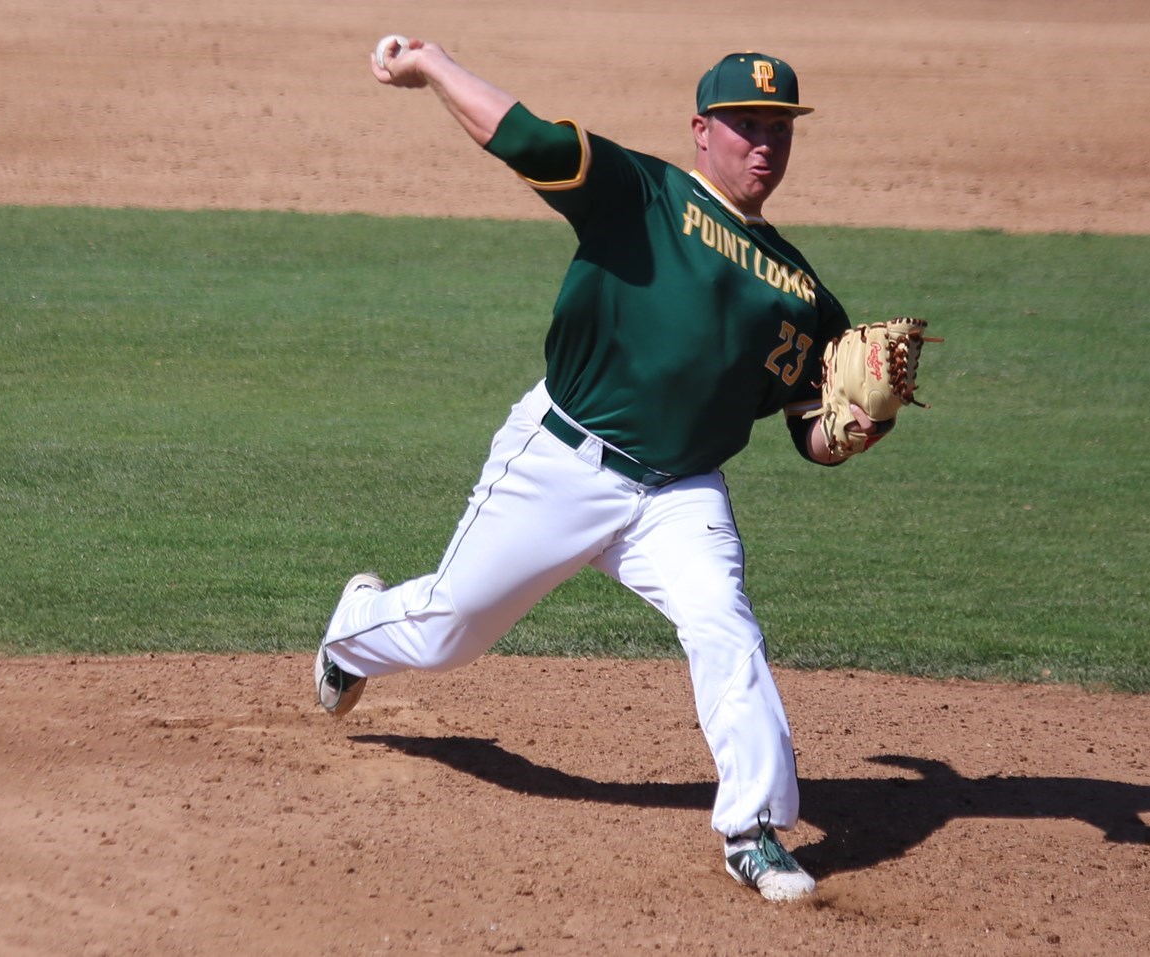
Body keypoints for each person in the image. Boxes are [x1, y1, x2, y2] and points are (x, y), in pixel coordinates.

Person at [318, 38, 888, 903]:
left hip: (681, 493)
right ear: (702, 130)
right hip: (561, 458)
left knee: (723, 628)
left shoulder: (807, 298)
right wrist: (432, 66)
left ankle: (753, 828)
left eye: (778, 127)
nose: (763, 143)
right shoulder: (646, 193)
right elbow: (529, 140)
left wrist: (852, 434)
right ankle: (355, 626)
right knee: (448, 629)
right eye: (744, 125)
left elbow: (810, 433)